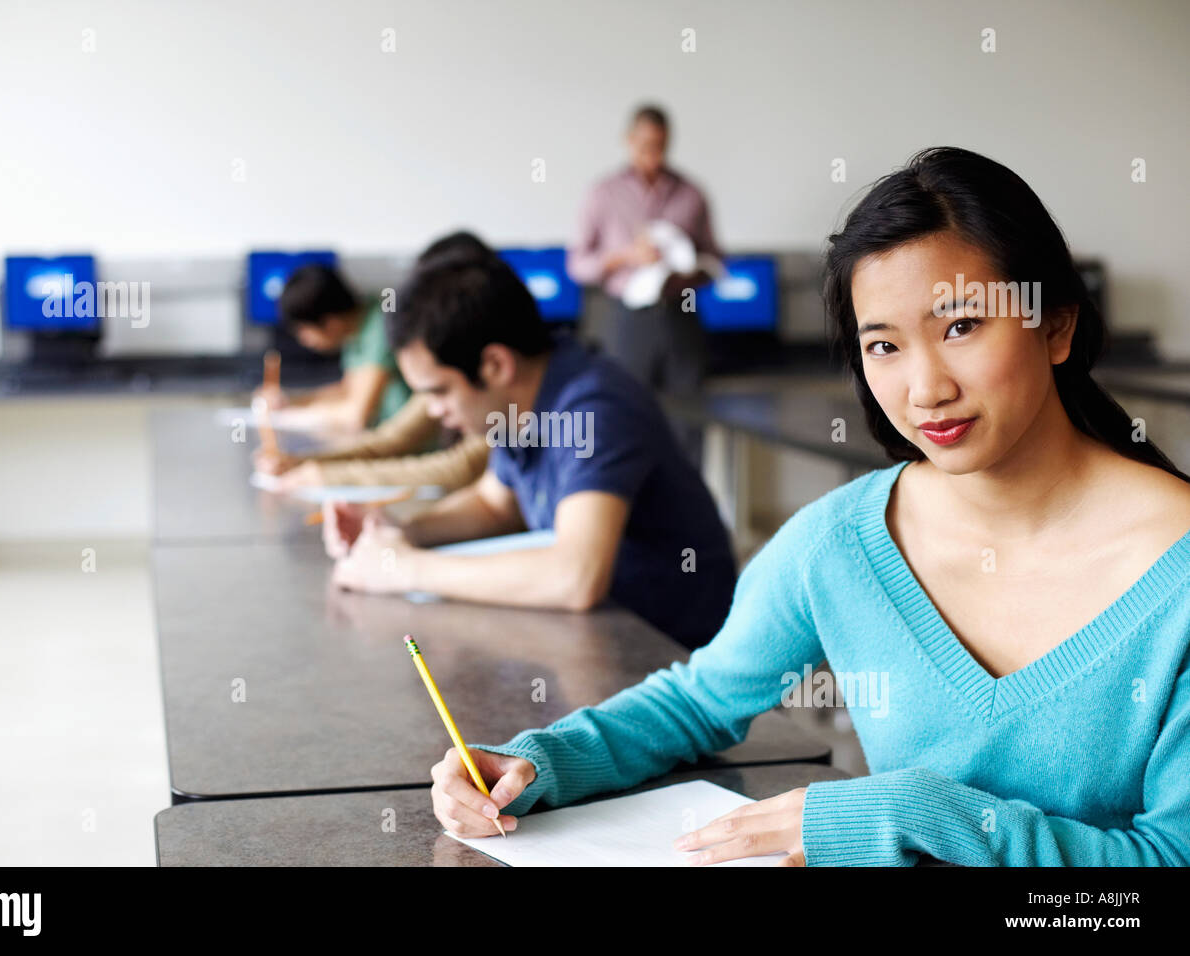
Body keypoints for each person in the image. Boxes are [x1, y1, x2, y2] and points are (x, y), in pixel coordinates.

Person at [428, 147, 1190, 867]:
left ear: (1055, 324)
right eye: (884, 345)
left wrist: (914, 813)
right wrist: (539, 761)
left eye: (962, 326)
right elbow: (700, 702)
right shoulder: (844, 541)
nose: (926, 389)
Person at [325, 236, 737, 650]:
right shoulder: (517, 402)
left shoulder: (593, 410)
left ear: (496, 365)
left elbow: (576, 577)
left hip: (673, 654)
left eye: (439, 392)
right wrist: (402, 532)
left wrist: (407, 569)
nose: (433, 411)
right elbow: (494, 504)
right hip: (604, 635)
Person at [252, 233, 499, 492]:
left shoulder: (489, 366)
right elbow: (393, 438)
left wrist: (329, 475)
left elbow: (460, 466)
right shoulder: (452, 354)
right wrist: (301, 462)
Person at [568, 103, 723, 463]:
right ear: (628, 141)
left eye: (661, 146)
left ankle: (685, 511)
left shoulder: (691, 194)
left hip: (680, 314)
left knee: (688, 420)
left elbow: (715, 255)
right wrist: (625, 256)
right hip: (627, 319)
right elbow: (578, 265)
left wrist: (691, 271)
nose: (653, 156)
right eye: (645, 146)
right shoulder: (602, 194)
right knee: (623, 413)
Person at [253, 263, 410, 436]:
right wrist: (290, 402)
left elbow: (357, 416)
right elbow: (349, 389)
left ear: (331, 322)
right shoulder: (358, 327)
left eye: (304, 331)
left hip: (412, 448)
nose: (304, 340)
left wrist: (291, 417)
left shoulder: (380, 327)